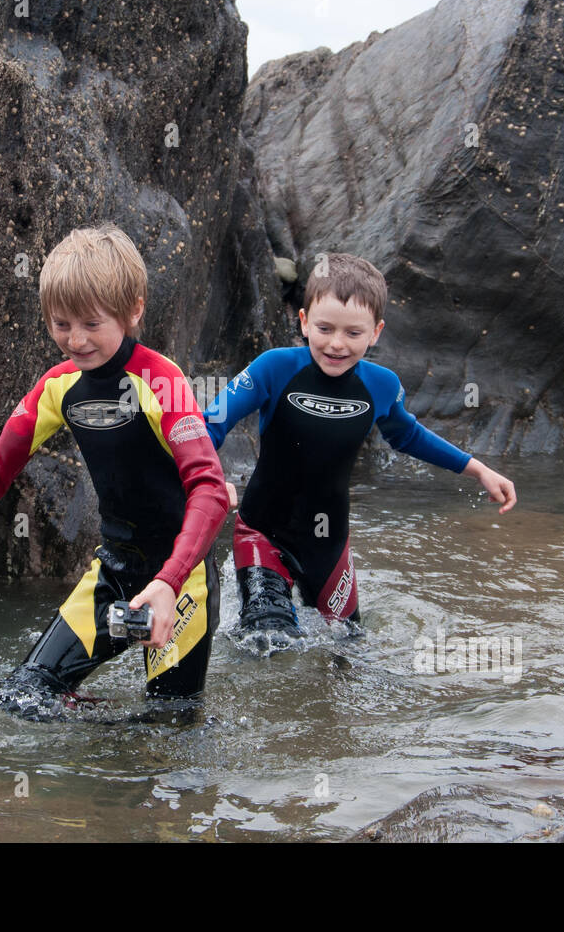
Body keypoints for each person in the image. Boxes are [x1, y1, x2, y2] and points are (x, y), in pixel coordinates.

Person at [0, 224, 231, 717]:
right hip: (114, 573)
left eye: (91, 323)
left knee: (167, 725)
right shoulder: (59, 387)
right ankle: (103, 730)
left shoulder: (159, 380)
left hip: (181, 582)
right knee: (24, 697)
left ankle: (129, 738)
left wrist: (169, 581)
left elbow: (209, 488)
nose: (75, 340)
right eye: (61, 324)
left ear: (133, 311)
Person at [204, 253, 516, 650]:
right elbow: (211, 423)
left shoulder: (381, 386)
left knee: (349, 648)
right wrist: (209, 478)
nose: (337, 343)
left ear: (376, 332)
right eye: (324, 328)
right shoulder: (274, 368)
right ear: (304, 321)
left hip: (329, 544)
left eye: (353, 333)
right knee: (267, 640)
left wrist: (479, 470)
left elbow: (408, 436)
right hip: (262, 533)